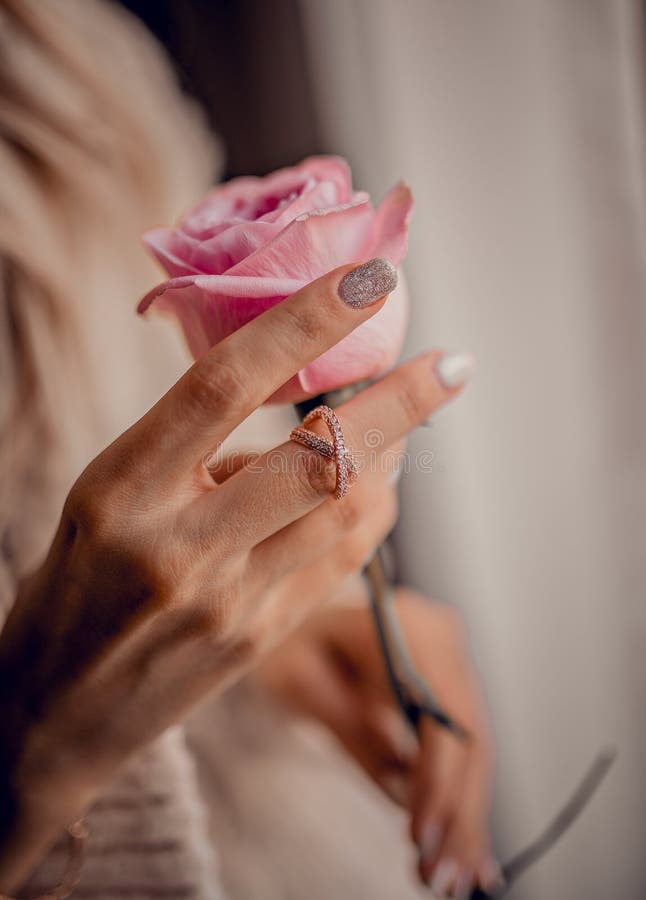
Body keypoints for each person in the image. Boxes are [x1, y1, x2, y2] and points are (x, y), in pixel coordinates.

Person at [0, 1, 496, 898]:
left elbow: (206, 458)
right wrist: (25, 755)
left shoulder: (77, 49)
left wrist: (294, 618)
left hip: (296, 812)